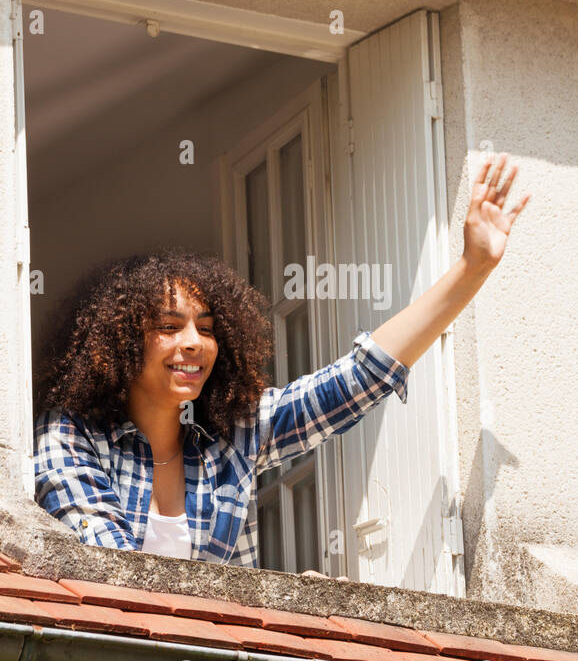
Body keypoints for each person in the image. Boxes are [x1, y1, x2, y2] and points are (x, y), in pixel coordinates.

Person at [33, 153, 530, 572]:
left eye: (206, 329)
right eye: (169, 327)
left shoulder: (237, 435)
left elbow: (359, 379)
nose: (194, 343)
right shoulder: (70, 436)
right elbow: (113, 574)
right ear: (121, 344)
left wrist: (473, 267)